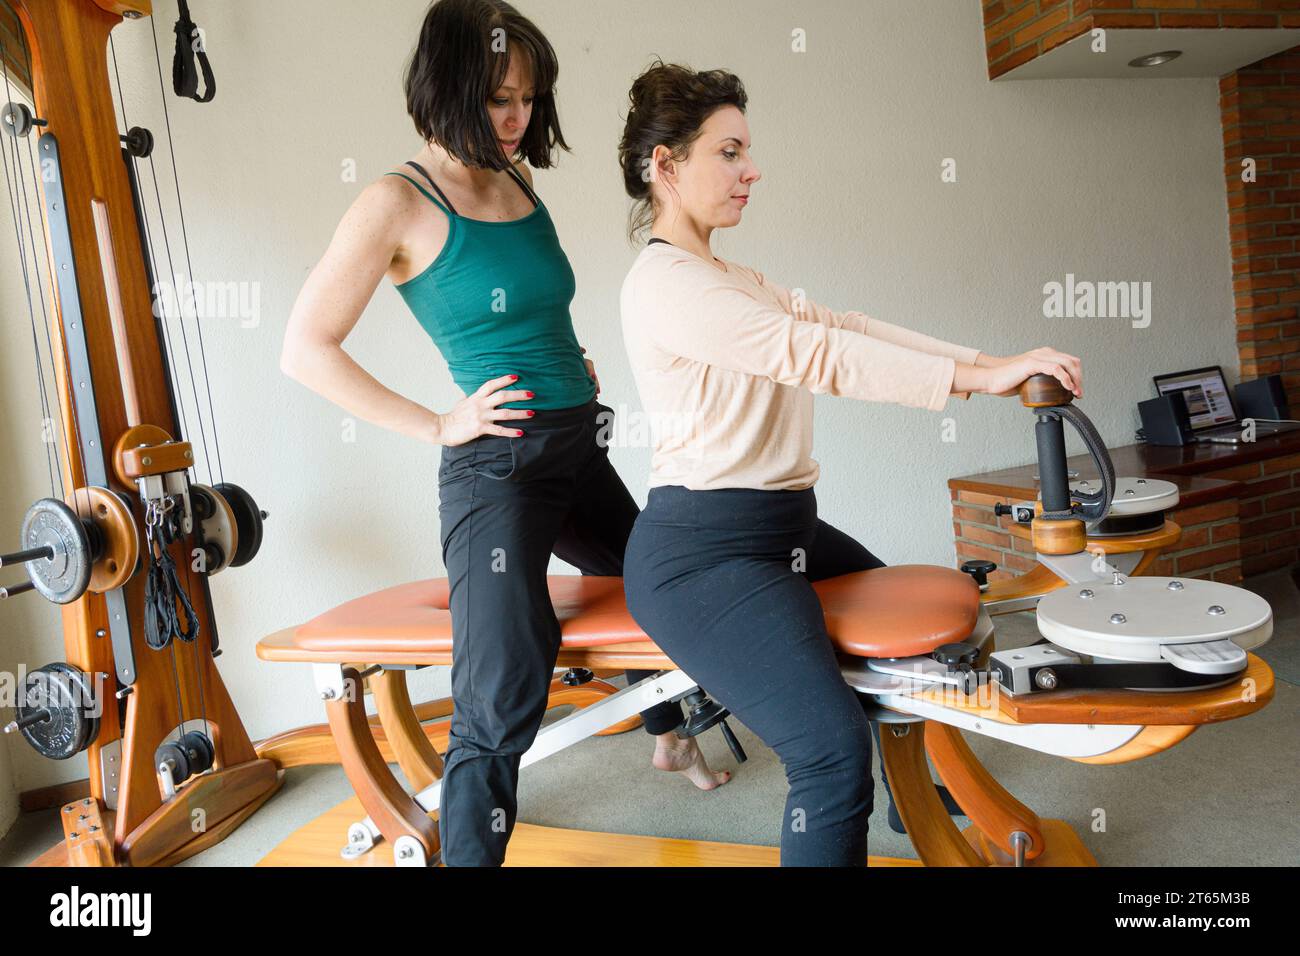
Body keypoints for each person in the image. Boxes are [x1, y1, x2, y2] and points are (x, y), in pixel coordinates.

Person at [280, 4, 725, 867]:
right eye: (495, 98)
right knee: (506, 675)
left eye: (527, 96)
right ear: (445, 92)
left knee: (655, 577)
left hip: (573, 446)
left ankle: (667, 733)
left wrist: (571, 358)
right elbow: (304, 349)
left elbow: (530, 305)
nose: (516, 116)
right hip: (499, 469)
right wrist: (440, 423)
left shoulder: (519, 180)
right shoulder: (394, 202)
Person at [616, 61, 1083, 865]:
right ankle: (881, 800)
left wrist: (989, 363)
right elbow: (815, 354)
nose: (750, 169)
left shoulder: (733, 277)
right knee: (828, 753)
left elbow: (847, 326)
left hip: (782, 531)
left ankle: (917, 807)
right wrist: (975, 378)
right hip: (702, 557)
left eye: (746, 150)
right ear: (665, 165)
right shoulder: (667, 285)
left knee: (917, 652)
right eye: (728, 152)